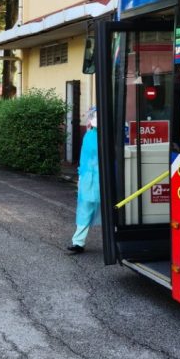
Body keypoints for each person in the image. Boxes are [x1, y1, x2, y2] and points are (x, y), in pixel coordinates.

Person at [66, 107, 100, 255]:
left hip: (99, 179)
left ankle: (117, 241)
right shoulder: (89, 136)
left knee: (110, 211)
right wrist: (80, 176)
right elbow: (84, 159)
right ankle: (78, 242)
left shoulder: (106, 136)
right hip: (89, 178)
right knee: (85, 209)